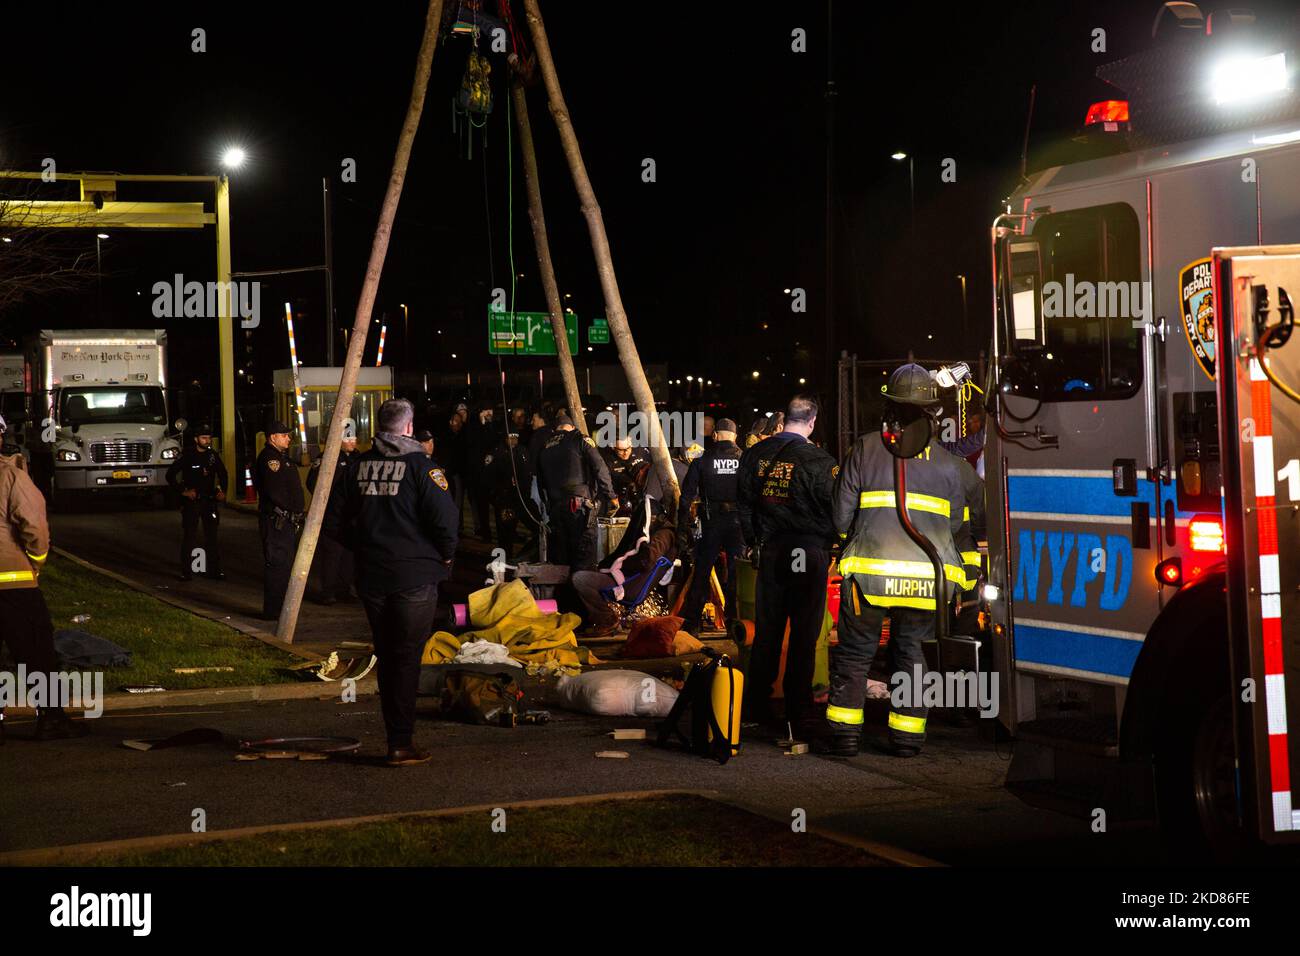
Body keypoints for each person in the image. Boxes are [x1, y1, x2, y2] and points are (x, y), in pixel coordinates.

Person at [823, 363, 974, 758]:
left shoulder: (864, 447)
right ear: (930, 411)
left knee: (856, 655)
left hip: (869, 579)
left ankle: (845, 736)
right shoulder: (948, 464)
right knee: (912, 655)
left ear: (888, 405)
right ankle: (907, 739)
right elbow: (956, 526)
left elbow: (840, 515)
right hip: (927, 581)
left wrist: (850, 541)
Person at [323, 398, 459, 766]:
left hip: (373, 576)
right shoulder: (422, 468)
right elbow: (446, 522)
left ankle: (397, 738)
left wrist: (365, 547)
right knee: (406, 658)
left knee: (388, 656)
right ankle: (400, 743)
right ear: (410, 427)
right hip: (414, 577)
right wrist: (444, 556)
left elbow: (333, 523)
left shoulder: (356, 468)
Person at [737, 395, 836, 733]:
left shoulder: (754, 455)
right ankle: (798, 708)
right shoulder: (820, 460)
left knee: (767, 631)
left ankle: (755, 704)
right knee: (805, 633)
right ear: (812, 421)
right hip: (808, 552)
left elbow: (744, 504)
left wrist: (754, 543)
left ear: (785, 420)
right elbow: (836, 509)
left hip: (771, 552)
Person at [0, 413, 88, 742]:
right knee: (36, 653)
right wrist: (35, 563)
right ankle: (51, 718)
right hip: (14, 585)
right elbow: (35, 527)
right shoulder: (11, 475)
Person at [677, 418, 744, 636]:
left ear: (715, 435)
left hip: (711, 522)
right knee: (736, 572)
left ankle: (693, 623)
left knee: (703, 571)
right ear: (735, 436)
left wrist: (682, 526)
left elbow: (686, 497)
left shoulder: (702, 460)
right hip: (738, 523)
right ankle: (734, 623)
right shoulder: (745, 459)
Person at [571, 499, 677, 637]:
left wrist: (622, 564)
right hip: (628, 580)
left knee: (580, 579)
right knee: (590, 569)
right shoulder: (661, 532)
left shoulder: (664, 534)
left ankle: (608, 619)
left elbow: (648, 559)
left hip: (628, 584)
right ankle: (594, 620)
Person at [535, 411, 614, 571]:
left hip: (556, 508)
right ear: (571, 427)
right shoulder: (580, 439)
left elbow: (540, 482)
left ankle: (564, 594)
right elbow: (600, 467)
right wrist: (611, 495)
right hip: (579, 507)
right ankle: (581, 591)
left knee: (563, 557)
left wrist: (548, 506)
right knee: (584, 555)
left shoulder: (545, 447)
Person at [253, 420, 304, 621]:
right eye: (284, 435)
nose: (288, 438)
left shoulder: (282, 458)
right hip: (277, 521)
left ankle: (281, 609)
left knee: (285, 566)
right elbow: (275, 492)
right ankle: (273, 611)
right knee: (277, 566)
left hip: (286, 522)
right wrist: (291, 509)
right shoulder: (269, 459)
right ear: (273, 437)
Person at [165, 422, 227, 582]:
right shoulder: (187, 455)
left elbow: (223, 474)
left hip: (209, 501)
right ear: (196, 439)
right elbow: (170, 475)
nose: (207, 441)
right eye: (204, 438)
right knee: (190, 536)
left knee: (212, 537)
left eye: (209, 438)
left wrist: (222, 491)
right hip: (192, 502)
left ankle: (215, 570)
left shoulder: (212, 455)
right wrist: (183, 492)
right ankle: (186, 571)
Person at [306, 431, 359, 605]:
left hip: (350, 517)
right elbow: (312, 483)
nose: (354, 441)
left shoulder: (356, 457)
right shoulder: (328, 457)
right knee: (332, 555)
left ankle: (345, 590)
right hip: (332, 516)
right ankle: (327, 592)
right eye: (349, 438)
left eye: (354, 438)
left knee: (348, 556)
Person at [484, 431, 532, 562]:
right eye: (510, 437)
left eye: (516, 437)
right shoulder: (497, 452)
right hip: (503, 498)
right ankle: (504, 557)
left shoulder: (522, 451)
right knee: (504, 530)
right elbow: (489, 476)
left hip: (519, 497)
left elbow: (527, 471)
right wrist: (496, 495)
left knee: (514, 527)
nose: (513, 440)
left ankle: (513, 555)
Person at [466, 404, 500, 539]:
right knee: (482, 505)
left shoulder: (494, 425)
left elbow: (495, 442)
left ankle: (504, 531)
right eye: (486, 410)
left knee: (498, 504)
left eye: (490, 410)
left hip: (493, 473)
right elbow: (473, 445)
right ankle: (486, 531)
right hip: (479, 474)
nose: (489, 413)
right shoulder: (473, 426)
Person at [437, 411, 469, 528]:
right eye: (456, 421)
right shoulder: (445, 436)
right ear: (450, 422)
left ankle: (458, 526)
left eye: (460, 422)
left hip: (458, 474)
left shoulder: (463, 436)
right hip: (448, 473)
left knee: (458, 502)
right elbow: (443, 454)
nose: (458, 424)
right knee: (449, 501)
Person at [604, 436, 646, 516]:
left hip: (642, 495)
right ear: (613, 447)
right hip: (619, 499)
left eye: (628, 448)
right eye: (621, 450)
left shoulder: (641, 452)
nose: (625, 452)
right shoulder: (607, 460)